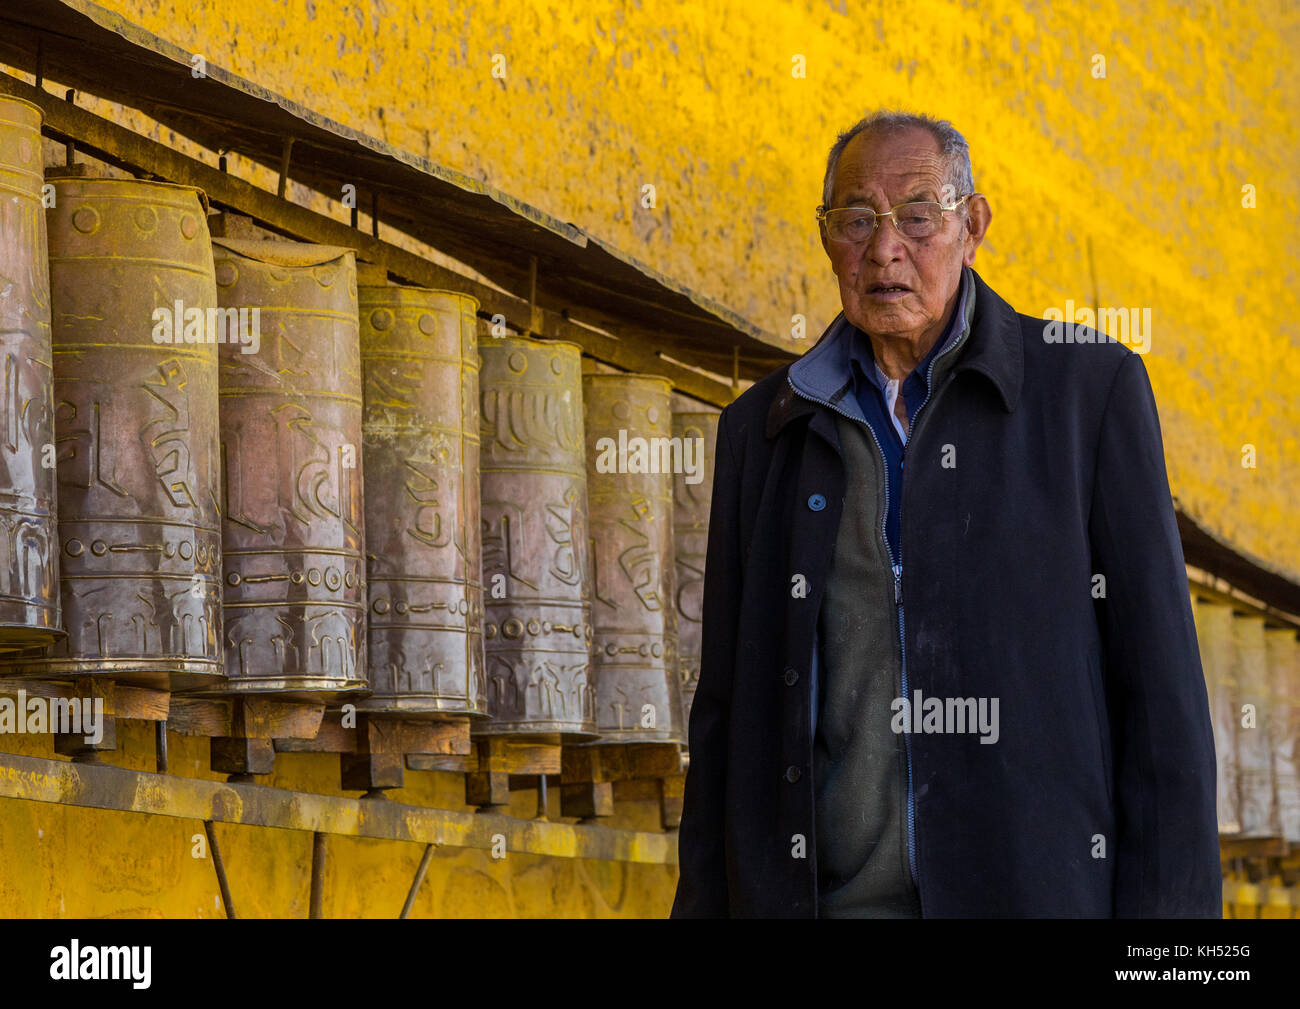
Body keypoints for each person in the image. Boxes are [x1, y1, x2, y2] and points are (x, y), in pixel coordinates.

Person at [670, 111, 1221, 918]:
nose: (885, 249)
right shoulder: (768, 429)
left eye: (918, 216)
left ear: (973, 224)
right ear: (827, 240)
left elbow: (1162, 704)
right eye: (856, 220)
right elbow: (726, 716)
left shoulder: (1085, 393)